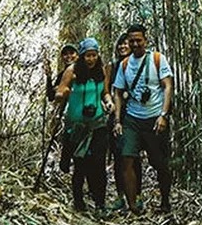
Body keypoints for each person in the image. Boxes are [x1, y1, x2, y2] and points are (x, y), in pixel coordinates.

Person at [112, 24, 174, 214]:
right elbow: (118, 92)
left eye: (139, 40)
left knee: (160, 164)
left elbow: (168, 86)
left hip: (154, 119)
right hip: (132, 119)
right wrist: (118, 121)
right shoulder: (124, 64)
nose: (135, 43)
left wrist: (164, 115)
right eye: (132, 40)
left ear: (145, 40)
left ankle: (165, 201)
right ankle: (133, 205)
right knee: (127, 159)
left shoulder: (157, 59)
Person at [55, 37, 115, 214]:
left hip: (97, 123)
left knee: (98, 165)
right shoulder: (72, 70)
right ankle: (78, 201)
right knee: (80, 165)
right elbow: (61, 90)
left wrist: (109, 102)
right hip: (77, 126)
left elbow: (105, 92)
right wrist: (62, 93)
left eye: (93, 55)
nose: (90, 59)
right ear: (81, 56)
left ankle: (100, 203)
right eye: (87, 56)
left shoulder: (102, 71)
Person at [108, 32, 142, 211]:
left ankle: (137, 195)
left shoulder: (140, 64)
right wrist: (110, 103)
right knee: (118, 156)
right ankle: (121, 195)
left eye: (125, 44)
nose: (122, 47)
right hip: (116, 116)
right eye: (119, 45)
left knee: (133, 157)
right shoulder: (113, 66)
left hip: (136, 116)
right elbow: (106, 90)